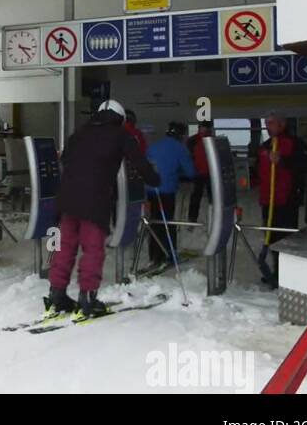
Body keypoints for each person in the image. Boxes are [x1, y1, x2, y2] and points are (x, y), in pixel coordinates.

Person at [49, 100, 160, 318]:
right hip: (94, 200)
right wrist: (153, 179)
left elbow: (65, 159)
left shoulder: (79, 133)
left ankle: (57, 294)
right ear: (120, 119)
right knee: (92, 249)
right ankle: (88, 299)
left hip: (67, 198)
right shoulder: (121, 135)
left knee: (65, 246)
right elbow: (139, 162)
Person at [257, 112, 307, 288]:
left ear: (282, 124)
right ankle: (276, 272)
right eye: (266, 123)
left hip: (287, 200)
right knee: (271, 237)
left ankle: (287, 274)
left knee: (285, 238)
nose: (268, 126)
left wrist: (283, 160)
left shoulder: (296, 144)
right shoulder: (265, 146)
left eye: (271, 123)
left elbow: (305, 165)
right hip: (268, 200)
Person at [145, 121, 196, 272]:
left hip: (150, 190)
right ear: (181, 135)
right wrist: (178, 173)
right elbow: (191, 172)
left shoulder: (154, 146)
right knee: (167, 223)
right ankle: (169, 254)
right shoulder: (180, 149)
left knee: (154, 222)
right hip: (166, 191)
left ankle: (154, 255)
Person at [186, 121, 214, 223]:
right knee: (199, 196)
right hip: (205, 172)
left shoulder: (193, 140)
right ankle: (193, 218)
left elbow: (189, 156)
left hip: (204, 172)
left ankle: (193, 218)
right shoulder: (211, 140)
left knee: (198, 196)